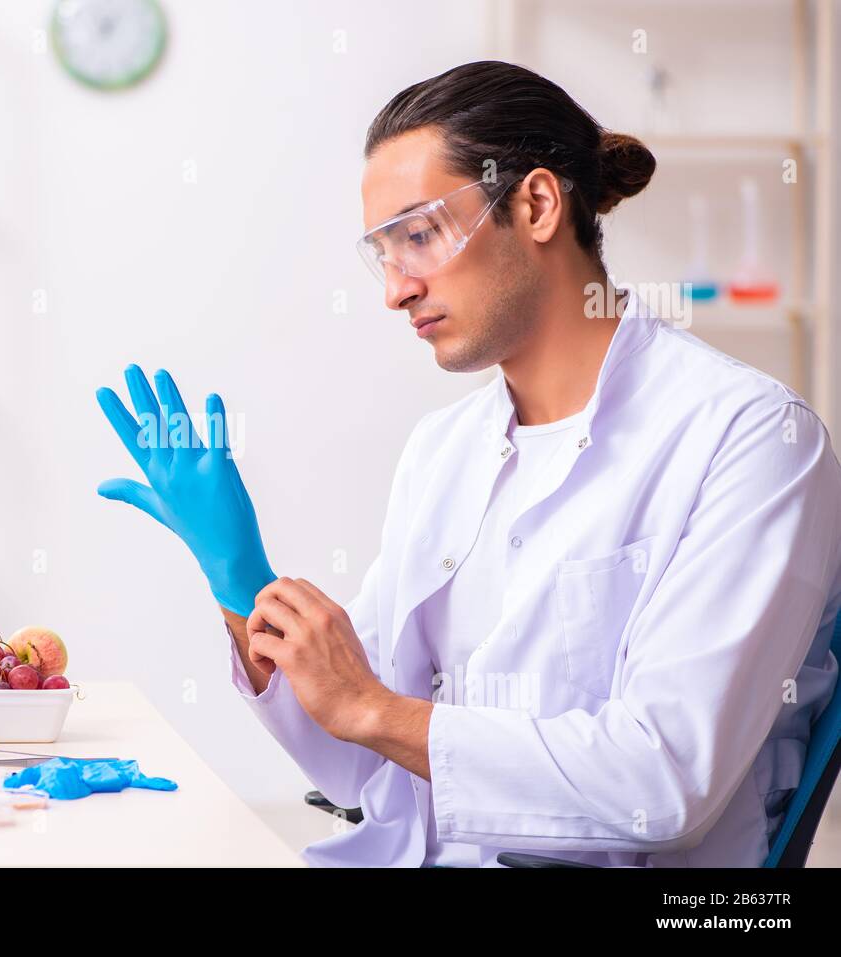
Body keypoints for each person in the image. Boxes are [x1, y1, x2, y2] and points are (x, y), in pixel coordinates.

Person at [93, 61, 841, 866]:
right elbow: (353, 755)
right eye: (381, 252)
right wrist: (240, 582)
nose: (394, 290)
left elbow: (661, 784)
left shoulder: (750, 438)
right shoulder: (444, 449)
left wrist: (376, 709)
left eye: (417, 235)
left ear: (538, 204)